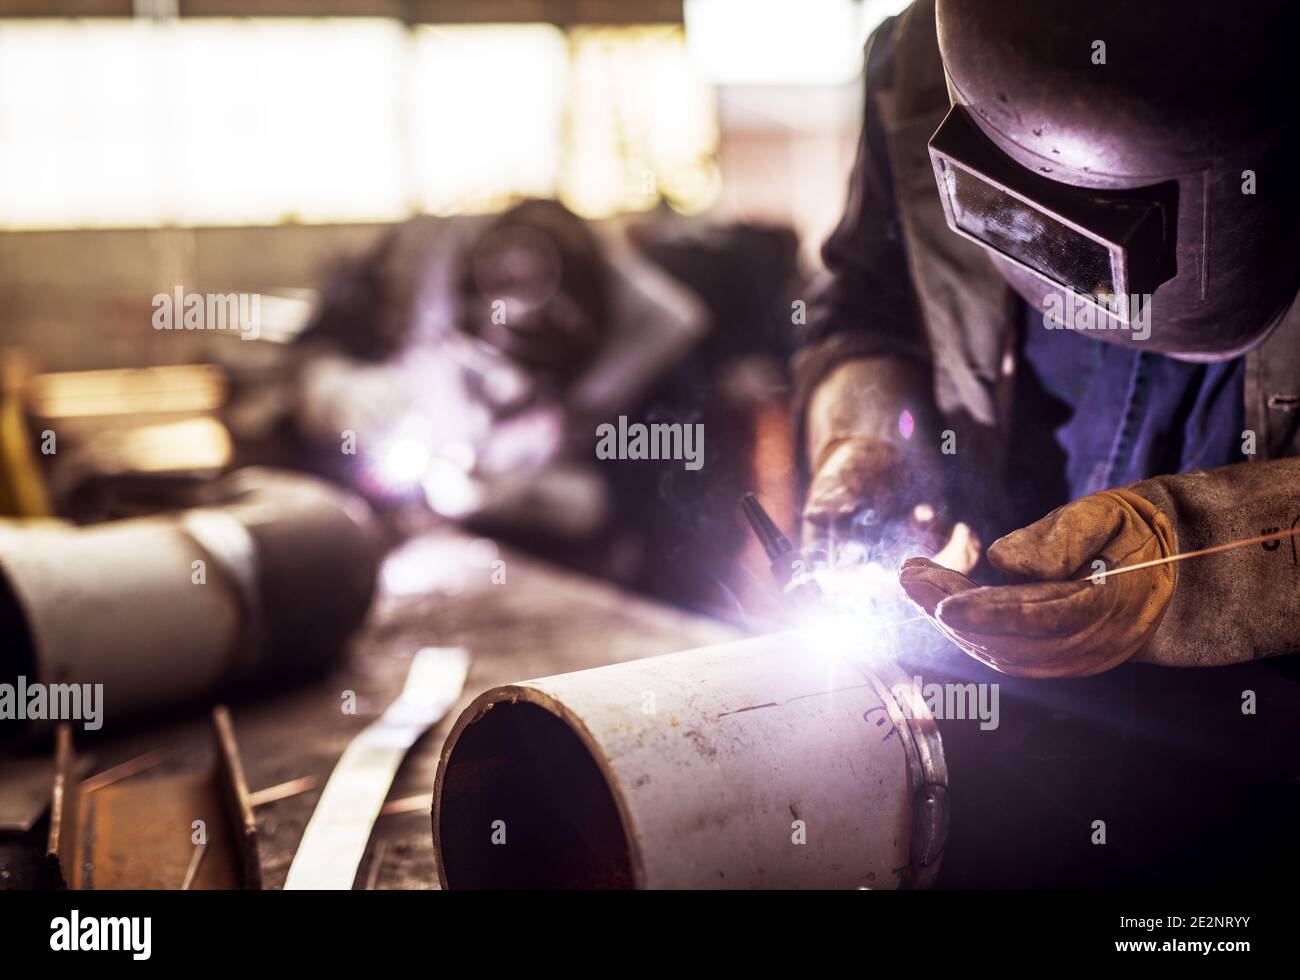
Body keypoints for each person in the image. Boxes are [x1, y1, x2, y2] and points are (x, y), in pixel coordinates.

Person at [797, 0, 1300, 886]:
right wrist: (870, 433)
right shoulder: (917, 62)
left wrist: (1202, 559)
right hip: (1017, 733)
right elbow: (865, 307)